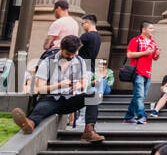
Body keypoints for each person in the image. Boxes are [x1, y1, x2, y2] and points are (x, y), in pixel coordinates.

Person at [9, 35, 90, 136]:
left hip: (70, 100)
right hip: (51, 98)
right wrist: (59, 85)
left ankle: (89, 130)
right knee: (41, 109)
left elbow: (83, 85)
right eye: (68, 54)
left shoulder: (80, 61)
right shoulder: (47, 61)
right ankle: (29, 124)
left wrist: (77, 86)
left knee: (93, 96)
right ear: (61, 48)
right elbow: (40, 89)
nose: (71, 57)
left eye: (74, 54)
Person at [124, 22, 161, 124]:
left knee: (140, 96)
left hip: (147, 73)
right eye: (150, 28)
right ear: (143, 30)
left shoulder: (152, 42)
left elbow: (154, 58)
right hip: (138, 72)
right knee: (139, 96)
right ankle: (142, 116)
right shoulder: (135, 40)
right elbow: (129, 55)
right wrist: (145, 53)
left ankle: (128, 116)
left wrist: (157, 55)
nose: (152, 30)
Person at [76, 14, 105, 143]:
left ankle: (81, 124)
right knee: (89, 96)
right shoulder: (98, 37)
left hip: (81, 67)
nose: (82, 26)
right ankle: (88, 128)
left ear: (88, 23)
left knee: (78, 93)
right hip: (90, 68)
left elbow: (74, 48)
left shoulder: (86, 36)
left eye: (83, 24)